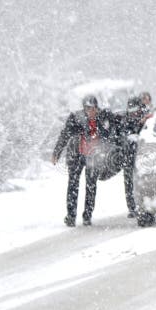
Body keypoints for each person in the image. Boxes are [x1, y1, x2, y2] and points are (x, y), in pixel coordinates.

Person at [51, 95, 117, 227]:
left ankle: (87, 215)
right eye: (88, 109)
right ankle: (71, 216)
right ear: (84, 109)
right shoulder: (76, 118)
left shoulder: (104, 117)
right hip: (76, 154)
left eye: (93, 109)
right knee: (73, 185)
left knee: (91, 185)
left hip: (94, 156)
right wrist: (57, 152)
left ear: (97, 108)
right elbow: (65, 135)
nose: (91, 112)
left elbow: (115, 130)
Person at [118, 96, 151, 218]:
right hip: (128, 155)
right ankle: (132, 207)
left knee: (145, 180)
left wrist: (141, 125)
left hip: (144, 156)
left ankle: (146, 204)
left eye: (135, 110)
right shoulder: (125, 119)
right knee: (128, 181)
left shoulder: (147, 118)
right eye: (131, 110)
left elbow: (148, 133)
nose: (133, 113)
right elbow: (124, 134)